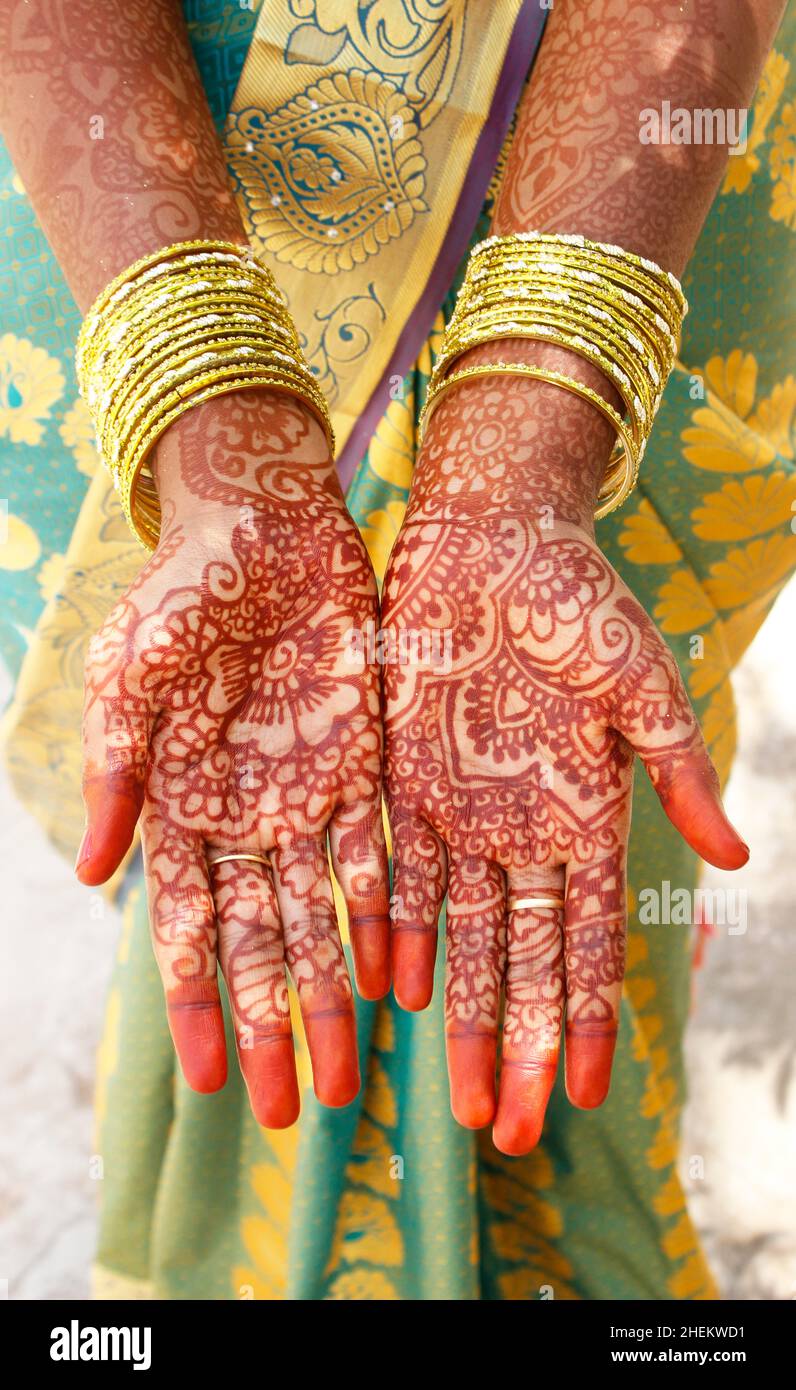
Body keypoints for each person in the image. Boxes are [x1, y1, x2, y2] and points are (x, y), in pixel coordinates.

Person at [0, 0, 793, 1300]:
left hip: (637, 165)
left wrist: (522, 462)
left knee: (574, 804)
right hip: (152, 159)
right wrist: (213, 438)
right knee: (223, 806)